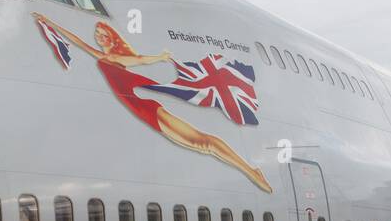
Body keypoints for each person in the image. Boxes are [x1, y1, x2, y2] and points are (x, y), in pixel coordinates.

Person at [33, 12, 272, 193]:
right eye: (98, 36)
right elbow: (77, 41)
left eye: (104, 36)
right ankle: (251, 171)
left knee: (202, 142)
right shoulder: (104, 56)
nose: (99, 39)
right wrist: (51, 23)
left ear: (112, 39)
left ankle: (252, 171)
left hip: (146, 107)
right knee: (199, 143)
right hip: (139, 110)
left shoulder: (117, 57)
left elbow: (141, 60)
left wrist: (160, 57)